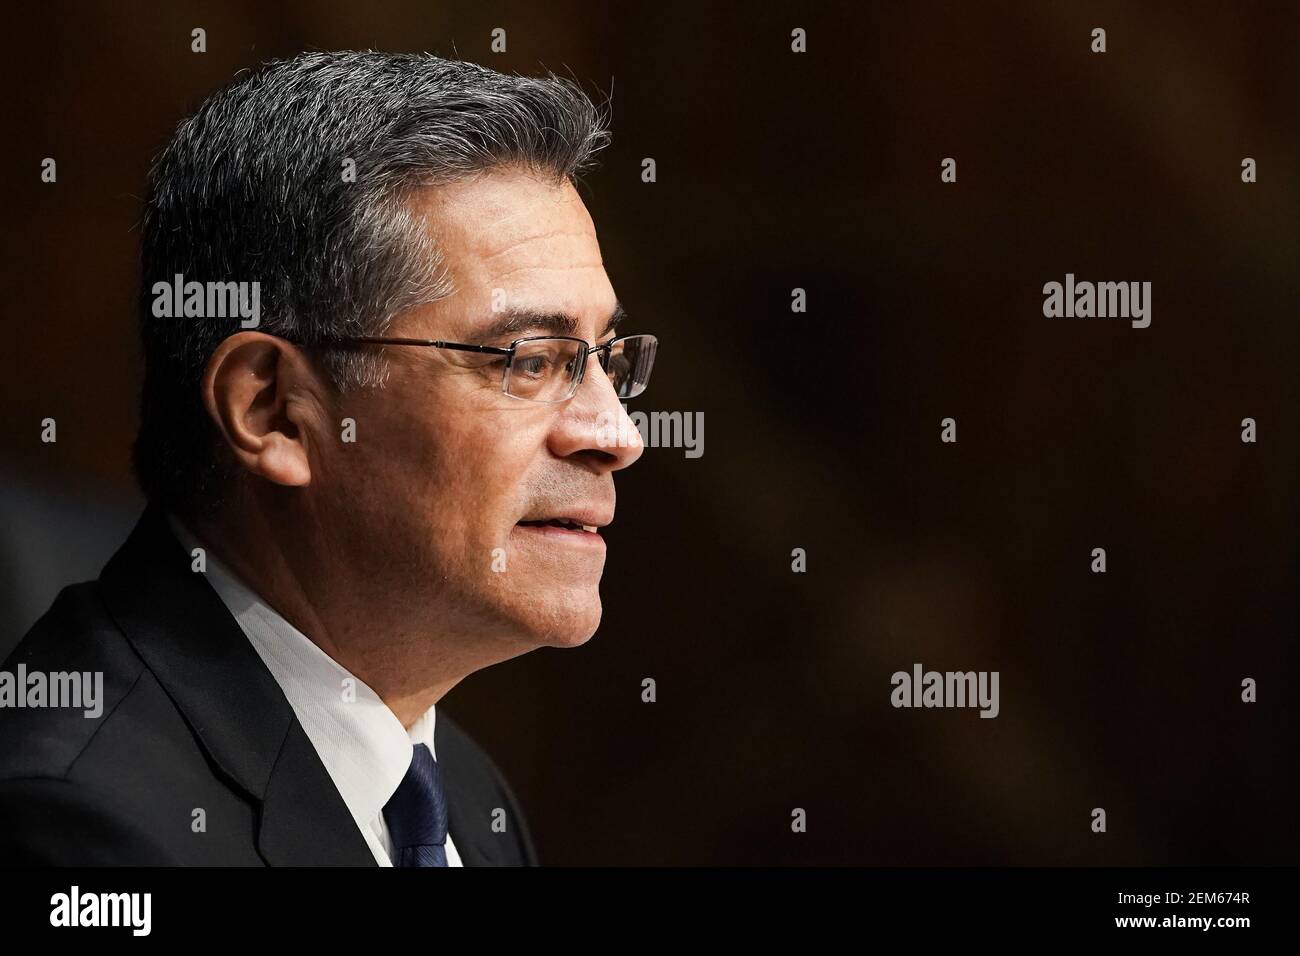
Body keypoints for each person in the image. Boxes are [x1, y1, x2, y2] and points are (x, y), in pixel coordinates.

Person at [0, 51, 655, 866]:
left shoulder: (461, 796)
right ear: (272, 410)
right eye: (529, 360)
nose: (617, 434)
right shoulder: (79, 827)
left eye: (607, 361)